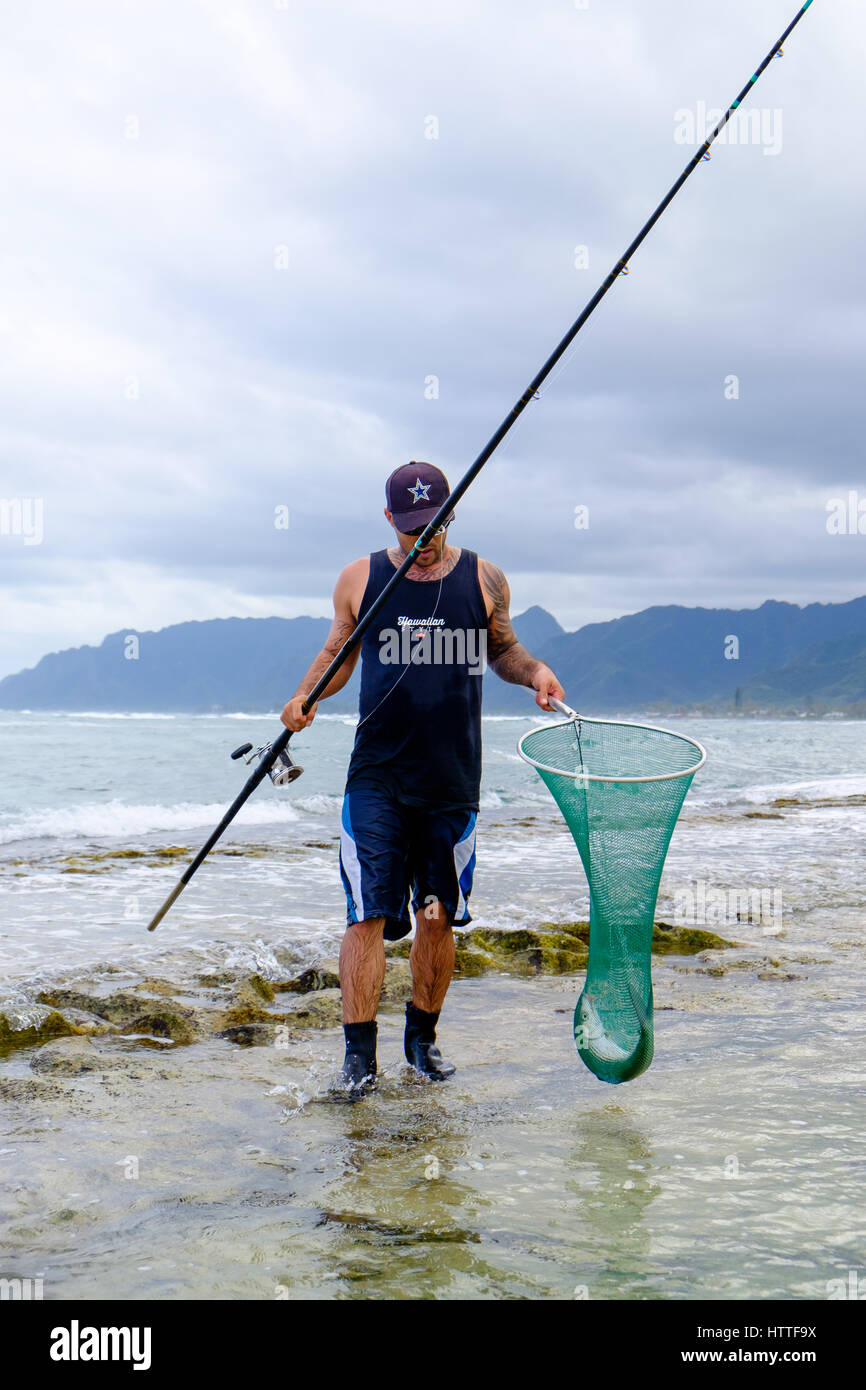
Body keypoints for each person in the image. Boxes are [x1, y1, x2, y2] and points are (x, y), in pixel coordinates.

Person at [281, 461, 564, 1095]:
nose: (424, 538)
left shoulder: (483, 579)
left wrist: (538, 672)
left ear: (451, 514)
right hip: (378, 774)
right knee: (367, 915)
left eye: (434, 525)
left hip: (453, 779)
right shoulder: (364, 579)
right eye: (412, 528)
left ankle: (422, 1041)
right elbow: (337, 653)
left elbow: (503, 652)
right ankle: (359, 1059)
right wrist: (306, 698)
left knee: (437, 918)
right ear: (390, 520)